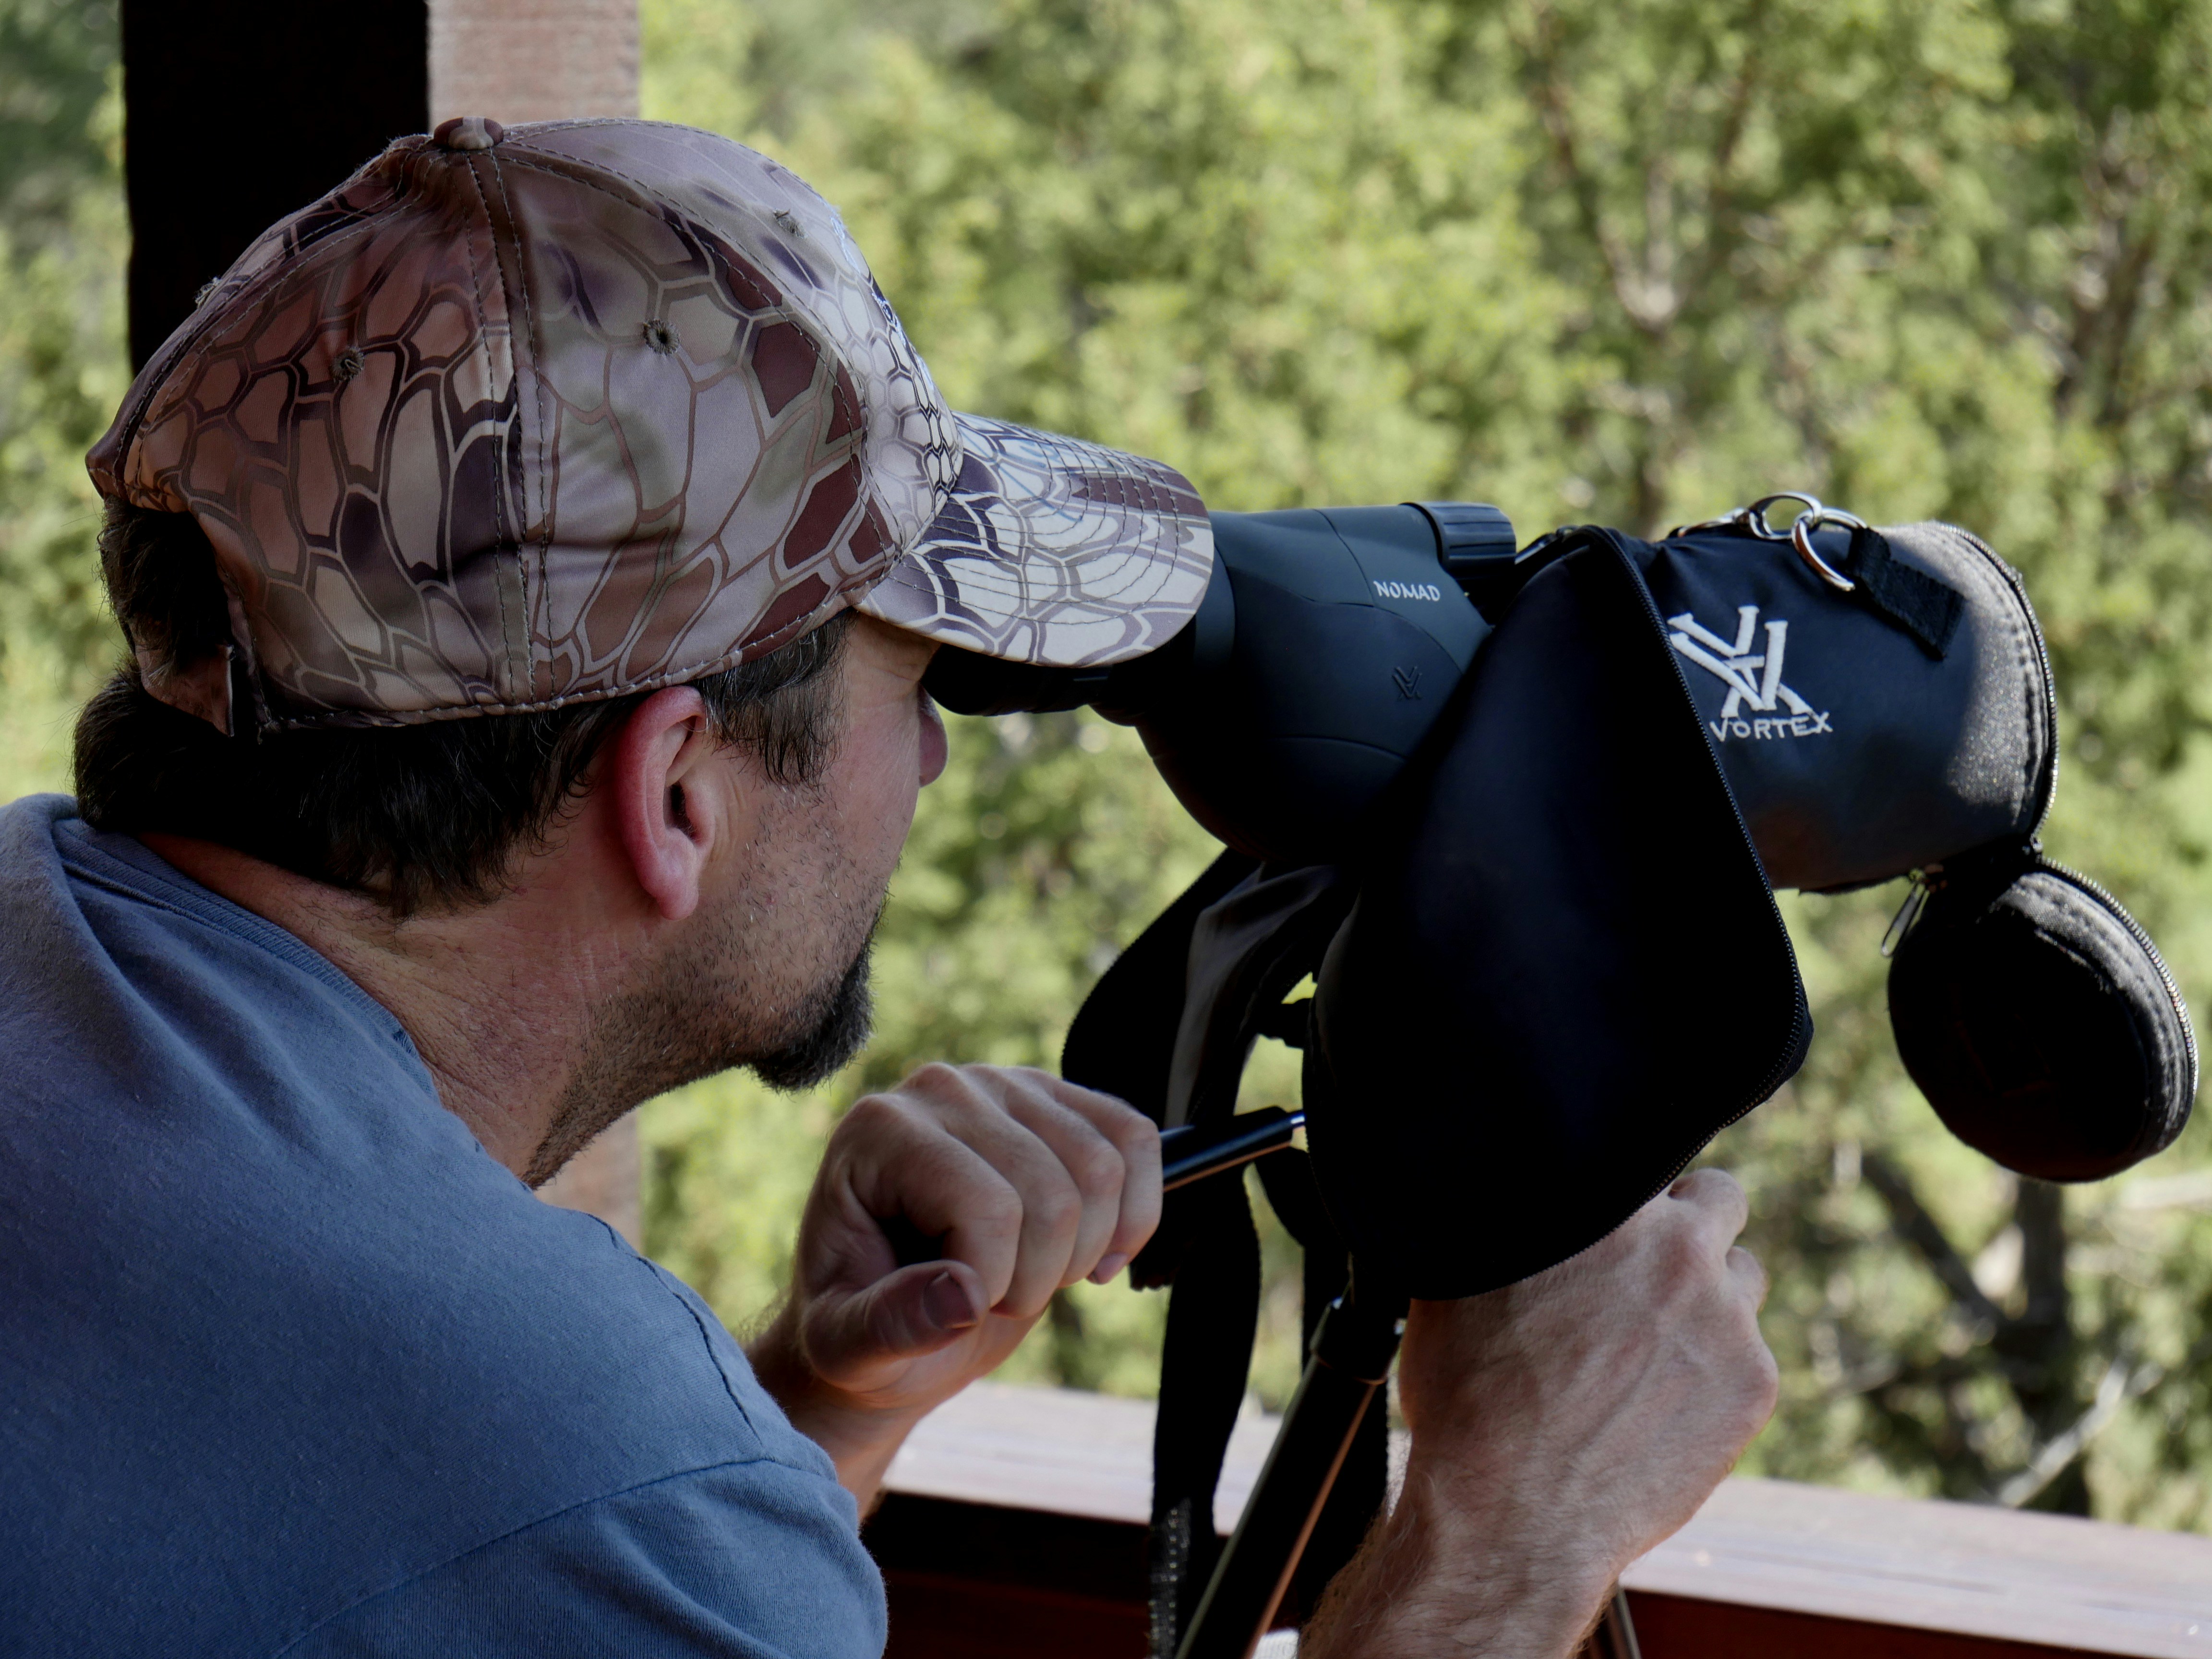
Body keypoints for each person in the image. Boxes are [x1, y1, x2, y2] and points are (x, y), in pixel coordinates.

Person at [0, 117, 1776, 1656]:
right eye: (920, 675)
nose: (929, 761)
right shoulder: (564, 1473)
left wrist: (804, 1427)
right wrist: (1504, 1538)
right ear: (674, 788)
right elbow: (511, 1506)